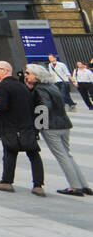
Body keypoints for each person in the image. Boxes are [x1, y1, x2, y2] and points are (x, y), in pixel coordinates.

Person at [25, 64, 91, 197]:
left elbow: (44, 107)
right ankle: (84, 185)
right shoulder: (52, 86)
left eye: (28, 73)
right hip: (64, 124)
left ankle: (75, 186)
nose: (25, 76)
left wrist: (38, 126)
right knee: (67, 155)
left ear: (37, 76)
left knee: (62, 156)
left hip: (51, 127)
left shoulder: (40, 90)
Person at [0, 61, 44, 196]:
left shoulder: (3, 86)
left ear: (5, 71)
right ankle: (38, 185)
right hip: (26, 126)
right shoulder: (21, 85)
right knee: (34, 155)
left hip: (11, 126)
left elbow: (3, 106)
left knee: (9, 153)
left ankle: (6, 181)